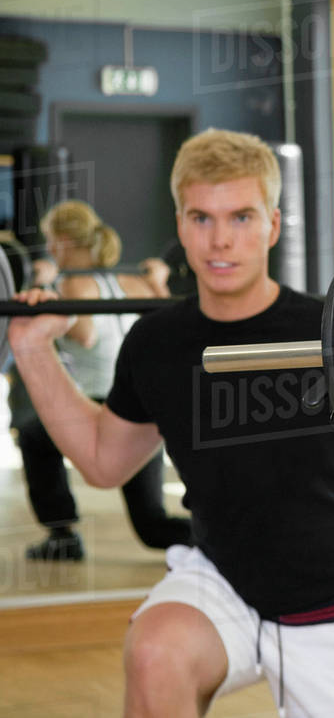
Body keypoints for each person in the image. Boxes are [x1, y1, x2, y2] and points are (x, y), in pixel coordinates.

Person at [7, 128, 334, 716]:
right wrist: (31, 349)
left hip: (329, 595)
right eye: (202, 218)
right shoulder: (156, 343)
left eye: (241, 217)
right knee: (156, 652)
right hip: (221, 580)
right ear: (180, 224)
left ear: (272, 224)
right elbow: (102, 461)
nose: (220, 240)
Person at [13, 200, 192, 562]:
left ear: (65, 240)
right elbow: (172, 320)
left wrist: (45, 285)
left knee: (32, 436)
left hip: (99, 404)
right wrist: (157, 283)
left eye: (51, 240)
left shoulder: (73, 283)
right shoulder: (132, 281)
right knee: (152, 527)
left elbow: (85, 336)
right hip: (139, 408)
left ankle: (62, 535)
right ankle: (227, 537)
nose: (49, 248)